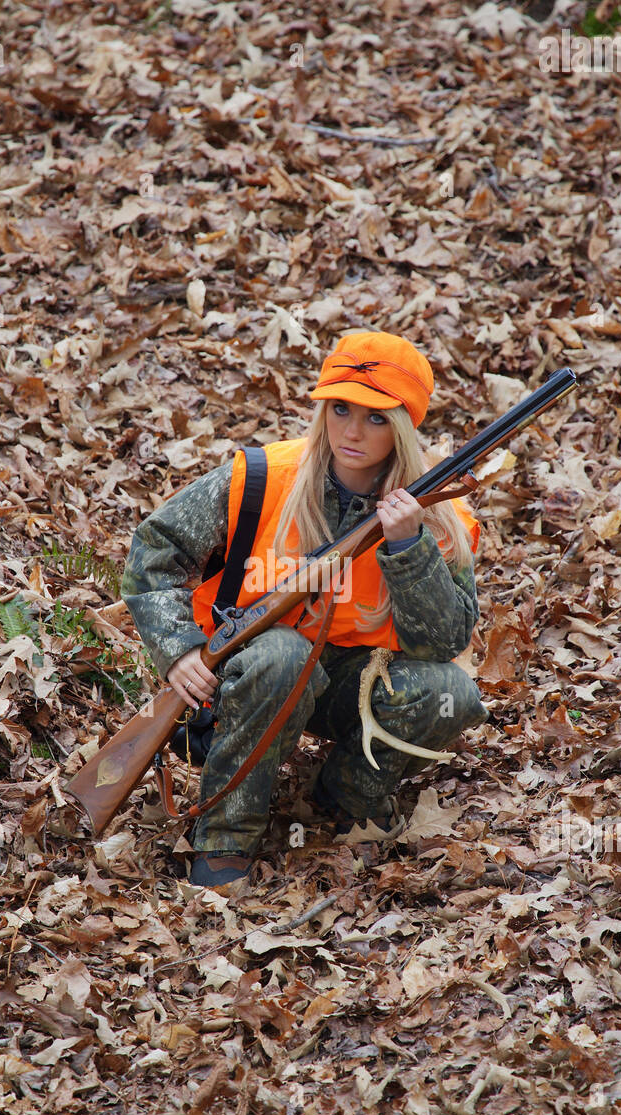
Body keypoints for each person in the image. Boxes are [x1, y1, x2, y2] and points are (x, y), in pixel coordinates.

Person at [120, 330, 490, 888]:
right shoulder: (264, 477)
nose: (351, 430)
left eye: (375, 416)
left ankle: (343, 801)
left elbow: (443, 644)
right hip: (251, 677)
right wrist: (177, 650)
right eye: (340, 408)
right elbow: (155, 549)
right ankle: (225, 836)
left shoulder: (437, 512)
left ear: (404, 427)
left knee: (451, 695)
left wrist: (408, 548)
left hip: (355, 683)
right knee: (281, 655)